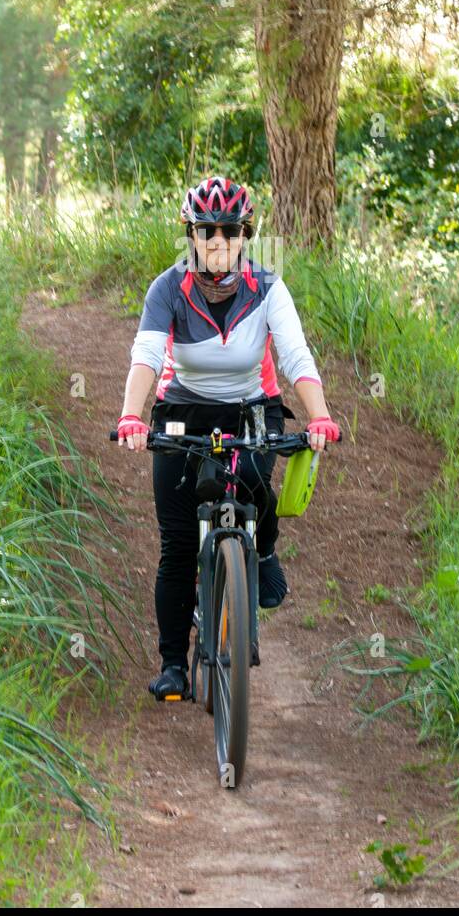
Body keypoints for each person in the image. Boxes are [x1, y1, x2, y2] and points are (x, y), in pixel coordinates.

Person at [116, 175, 341, 701]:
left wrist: (320, 415)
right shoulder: (167, 289)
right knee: (175, 546)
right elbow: (147, 357)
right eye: (206, 230)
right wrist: (131, 415)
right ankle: (173, 665)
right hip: (182, 412)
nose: (219, 241)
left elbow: (294, 356)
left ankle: (259, 554)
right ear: (190, 234)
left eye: (231, 230)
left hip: (252, 410)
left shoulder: (268, 288)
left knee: (258, 491)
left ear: (246, 233)